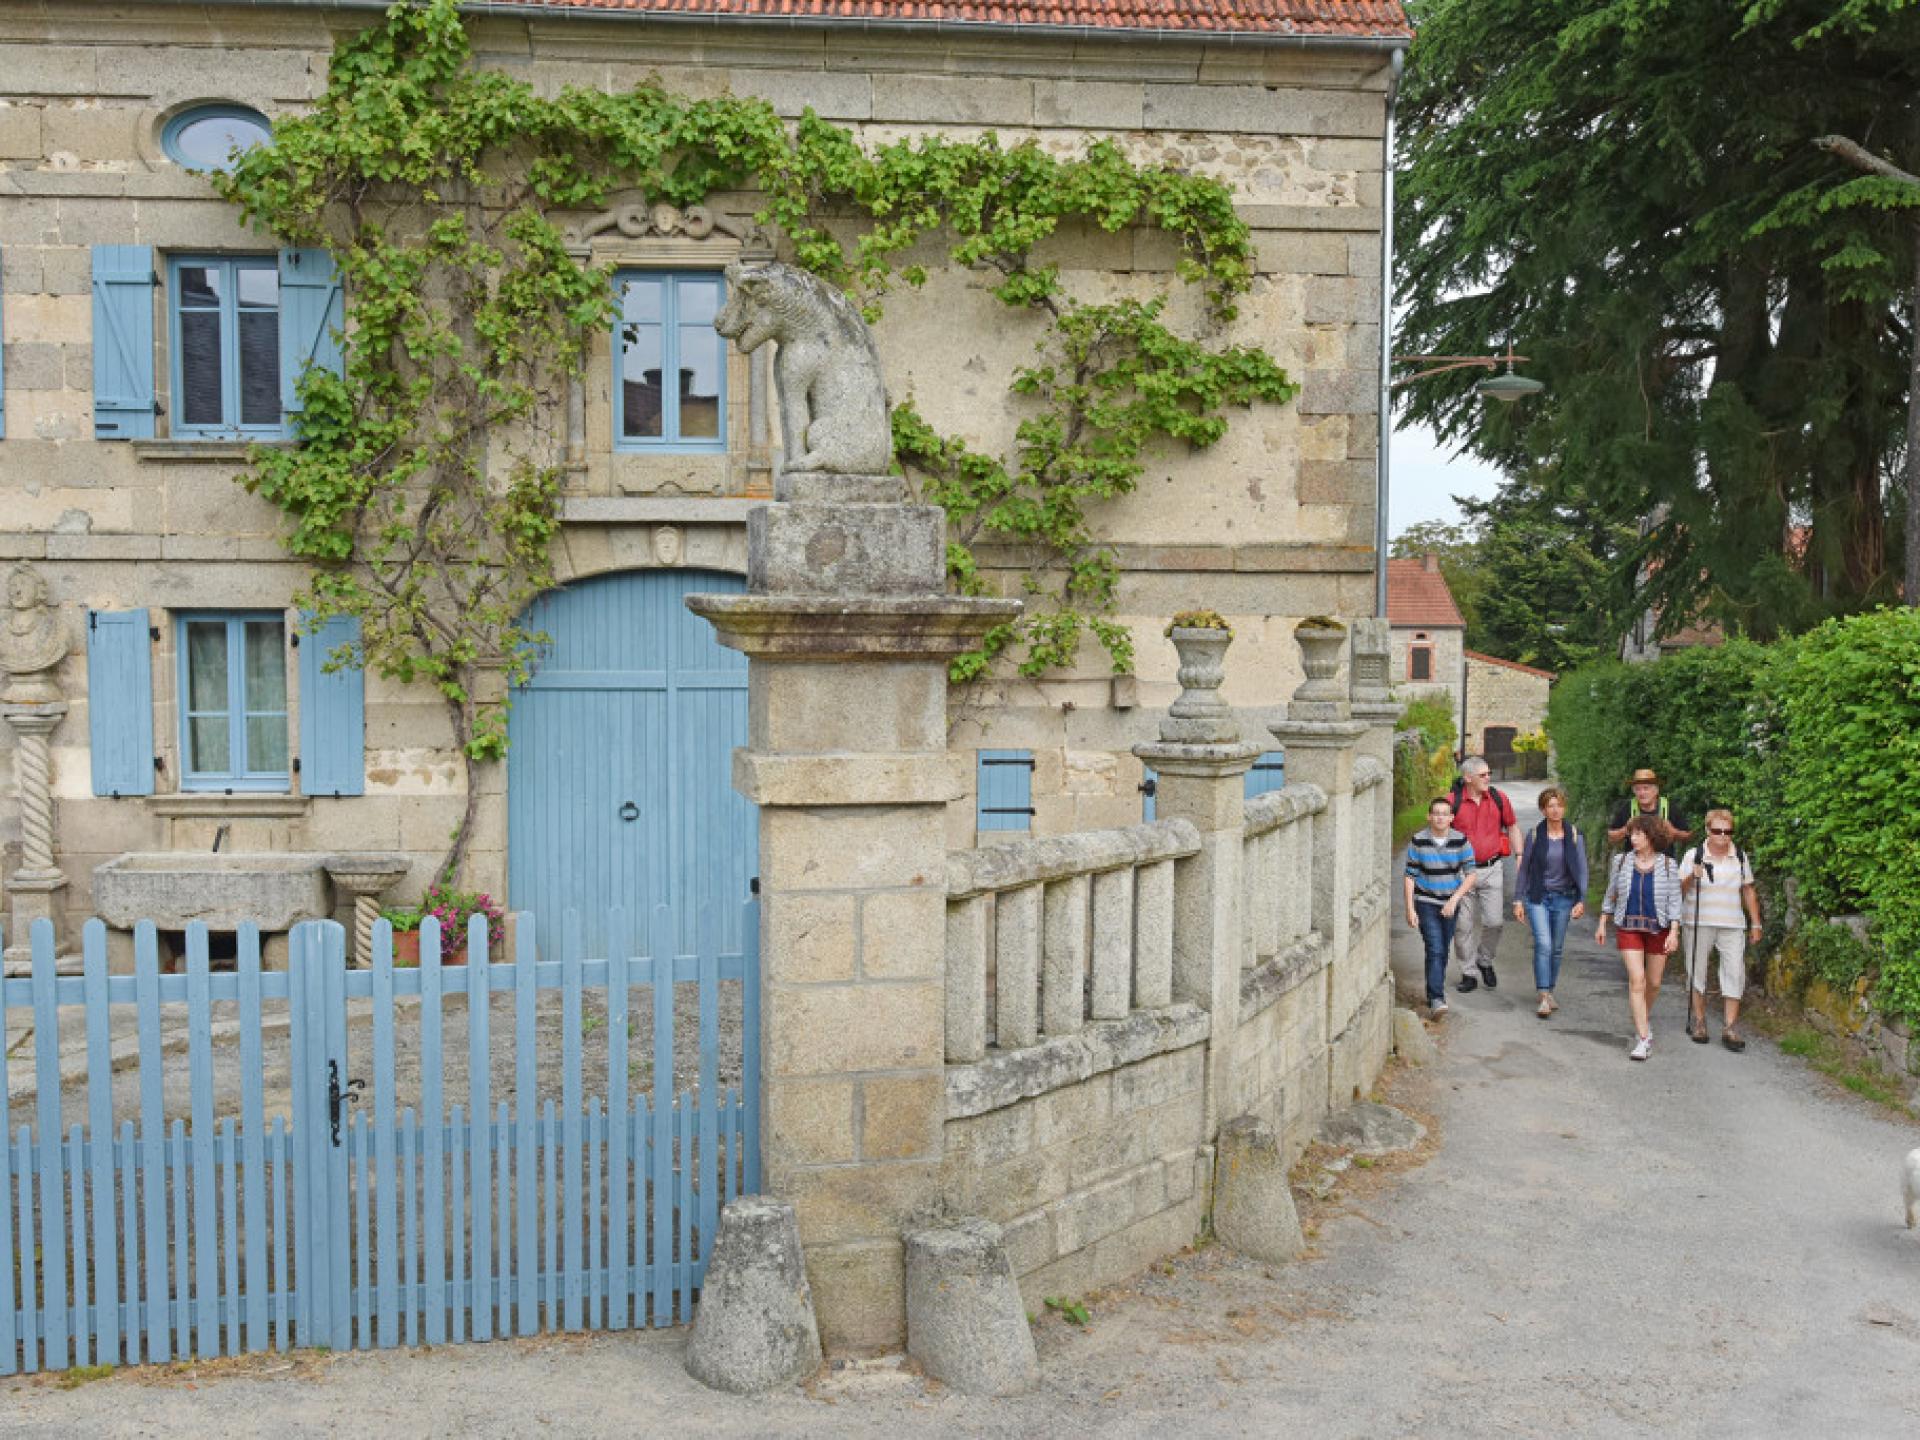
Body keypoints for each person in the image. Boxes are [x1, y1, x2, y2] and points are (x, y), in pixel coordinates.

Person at [1595, 814, 1682, 1061]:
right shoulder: (1621, 861)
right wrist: (1603, 922)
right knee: (1637, 980)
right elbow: (1611, 893)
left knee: (1654, 983)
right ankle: (1643, 1037)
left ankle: (1641, 1015)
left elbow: (1675, 901)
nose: (1632, 838)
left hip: (1659, 928)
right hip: (1629, 926)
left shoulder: (1668, 865)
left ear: (1651, 836)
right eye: (1631, 834)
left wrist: (1674, 932)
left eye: (1638, 834)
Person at [1679, 808, 1763, 1052]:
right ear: (1708, 830)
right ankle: (1700, 1022)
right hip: (1699, 921)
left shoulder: (1739, 855)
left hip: (1732, 923)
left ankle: (1730, 1027)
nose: (1723, 836)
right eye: (1717, 831)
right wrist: (1690, 878)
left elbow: (1748, 889)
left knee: (1735, 972)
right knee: (1697, 972)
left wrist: (1755, 923)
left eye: (1728, 831)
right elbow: (1679, 891)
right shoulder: (1694, 855)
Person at [1511, 786, 1588, 1019]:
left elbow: (1582, 870)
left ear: (1564, 808)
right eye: (1550, 806)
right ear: (1543, 810)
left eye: (1559, 805)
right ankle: (1543, 994)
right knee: (1543, 944)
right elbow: (1524, 870)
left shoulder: (1574, 835)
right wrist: (1518, 900)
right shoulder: (1535, 834)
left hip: (1564, 897)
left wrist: (1581, 899)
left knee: (1556, 948)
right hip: (1538, 898)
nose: (1555, 810)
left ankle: (1550, 990)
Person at [1447, 756, 1522, 992]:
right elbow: (1440, 833)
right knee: (1463, 926)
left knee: (1495, 922)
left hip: (1492, 869)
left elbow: (1511, 825)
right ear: (1467, 778)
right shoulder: (1452, 802)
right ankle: (1468, 973)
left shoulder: (1499, 799)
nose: (1488, 778)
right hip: (1462, 872)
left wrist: (1520, 855)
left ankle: (1484, 960)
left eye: (1489, 773)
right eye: (1483, 775)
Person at [1404, 795, 1480, 1018]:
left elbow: (1471, 874)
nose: (1439, 817)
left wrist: (1455, 900)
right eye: (1435, 813)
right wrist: (1410, 908)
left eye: (1444, 814)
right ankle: (1437, 998)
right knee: (1435, 947)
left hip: (1450, 902)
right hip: (1426, 901)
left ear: (1451, 818)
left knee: (1441, 950)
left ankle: (1432, 993)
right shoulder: (1418, 841)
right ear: (1429, 816)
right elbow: (1409, 876)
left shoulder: (1461, 841)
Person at [1607, 768, 1692, 854]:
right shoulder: (1627, 808)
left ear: (1656, 790)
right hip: (1633, 863)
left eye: (1646, 788)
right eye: (1638, 789)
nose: (1642, 793)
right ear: (1633, 791)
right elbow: (1611, 836)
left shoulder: (1669, 807)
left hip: (1663, 863)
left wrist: (1673, 832)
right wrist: (1627, 829)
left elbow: (1688, 837)